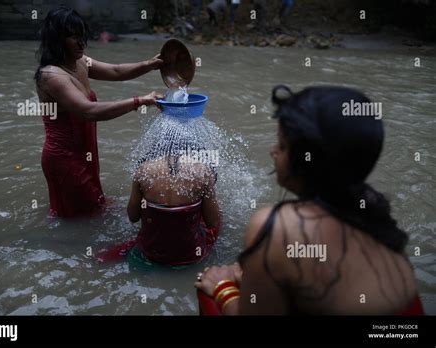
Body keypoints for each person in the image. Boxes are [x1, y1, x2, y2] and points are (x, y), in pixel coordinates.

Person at [194, 85, 424, 315]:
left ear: (309, 160)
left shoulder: (277, 226)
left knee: (209, 288)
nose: (273, 151)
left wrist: (222, 287)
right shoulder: (377, 214)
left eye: (282, 146)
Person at [34, 6, 163, 218]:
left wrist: (150, 64)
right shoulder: (51, 76)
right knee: (77, 220)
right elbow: (88, 111)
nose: (81, 42)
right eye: (73, 37)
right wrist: (140, 101)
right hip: (64, 158)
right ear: (57, 39)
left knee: (93, 209)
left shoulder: (81, 62)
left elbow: (116, 71)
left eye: (82, 35)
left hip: (85, 151)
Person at [125, 127, 221, 266]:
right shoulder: (203, 172)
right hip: (190, 255)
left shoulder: (143, 170)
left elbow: (133, 217)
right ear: (191, 144)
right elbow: (212, 222)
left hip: (151, 253)